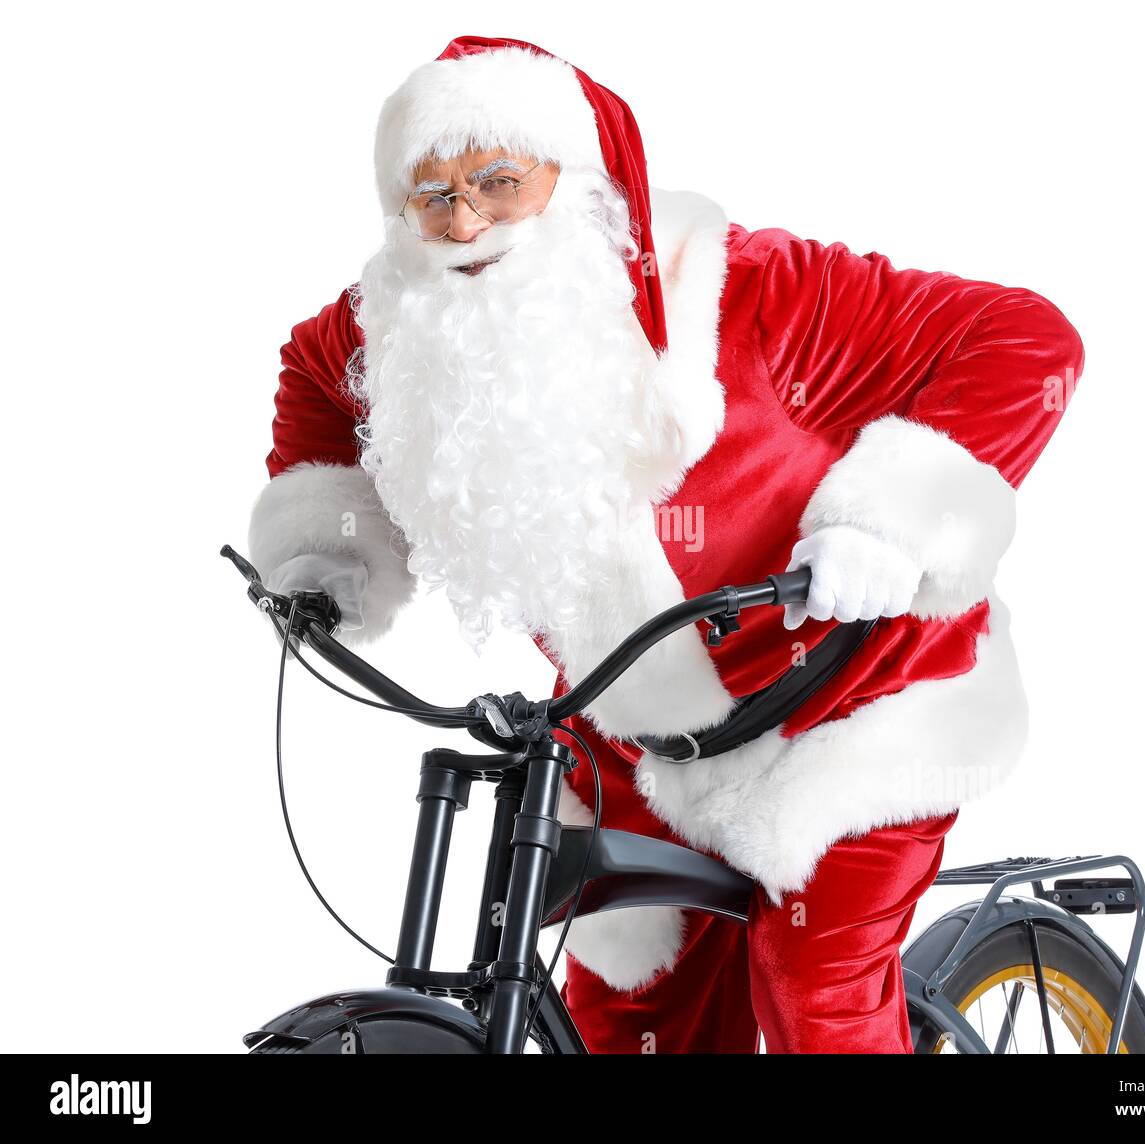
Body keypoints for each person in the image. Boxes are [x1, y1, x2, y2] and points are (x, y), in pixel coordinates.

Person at [247, 35, 1083, 1053]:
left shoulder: (760, 295)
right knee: (630, 1020)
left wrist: (888, 527)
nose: (462, 221)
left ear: (578, 182)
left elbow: (1025, 338)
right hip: (634, 744)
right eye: (432, 196)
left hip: (847, 713)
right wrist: (328, 557)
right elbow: (319, 380)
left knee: (815, 999)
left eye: (498, 183)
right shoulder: (402, 319)